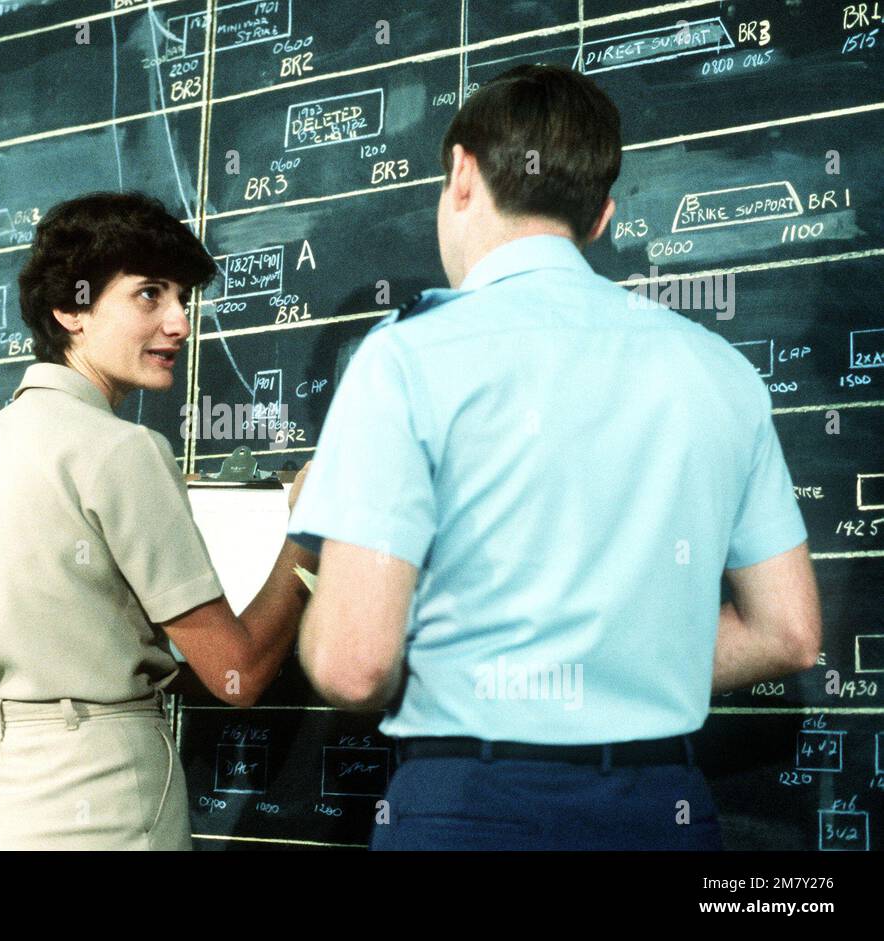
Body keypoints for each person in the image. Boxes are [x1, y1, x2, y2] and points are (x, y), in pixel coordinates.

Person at [285, 64, 821, 850]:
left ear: (462, 174)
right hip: (664, 810)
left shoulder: (403, 359)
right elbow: (790, 631)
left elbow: (351, 666)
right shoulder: (719, 369)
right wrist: (614, 662)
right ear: (601, 216)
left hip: (469, 807)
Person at [0, 191, 317, 850]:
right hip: (108, 810)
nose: (179, 322)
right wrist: (309, 536)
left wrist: (98, 652)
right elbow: (237, 675)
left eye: (182, 298)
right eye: (149, 295)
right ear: (69, 308)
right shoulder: (123, 451)